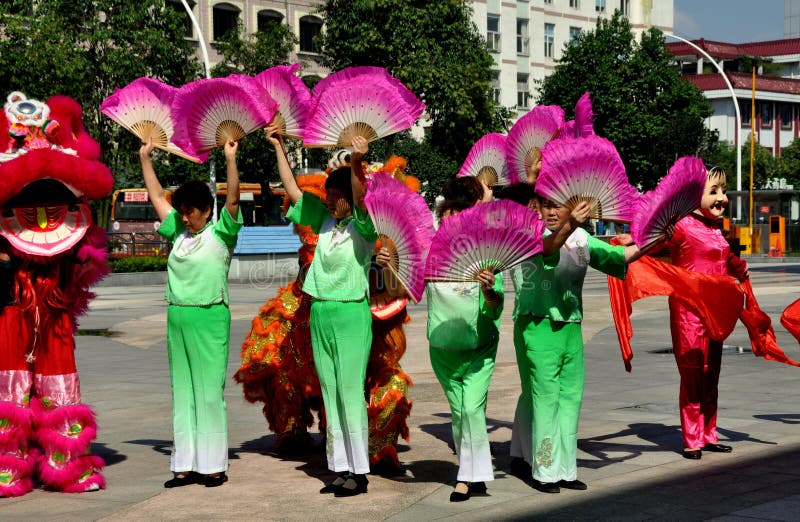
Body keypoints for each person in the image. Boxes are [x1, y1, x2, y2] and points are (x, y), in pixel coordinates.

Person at [378, 176, 501, 502]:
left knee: (471, 410)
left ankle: (466, 477)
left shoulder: (487, 253)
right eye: (449, 217)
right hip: (443, 346)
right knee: (460, 412)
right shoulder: (428, 254)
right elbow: (400, 291)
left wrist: (489, 289)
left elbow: (496, 304)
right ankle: (476, 474)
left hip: (479, 346)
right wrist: (390, 267)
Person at [510, 197, 642, 493]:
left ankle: (565, 469)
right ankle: (544, 469)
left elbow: (618, 258)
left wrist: (656, 235)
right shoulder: (528, 231)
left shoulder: (582, 237)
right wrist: (570, 225)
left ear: (573, 205)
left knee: (570, 400)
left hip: (571, 327)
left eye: (559, 205)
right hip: (537, 326)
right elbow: (548, 248)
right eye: (546, 204)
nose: (552, 211)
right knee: (545, 401)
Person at [271, 128, 377, 497]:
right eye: (328, 196)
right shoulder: (326, 222)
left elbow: (362, 198)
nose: (329, 201)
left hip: (350, 313)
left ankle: (359, 471)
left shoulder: (364, 228)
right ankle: (341, 467)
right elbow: (295, 192)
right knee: (330, 392)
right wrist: (280, 148)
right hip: (321, 312)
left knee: (349, 390)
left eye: (336, 196)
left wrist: (358, 161)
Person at [139, 137, 243, 488]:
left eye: (191, 211)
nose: (185, 217)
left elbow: (231, 199)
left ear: (205, 211)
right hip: (178, 318)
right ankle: (183, 464)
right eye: (182, 210)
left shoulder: (221, 234)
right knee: (182, 392)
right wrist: (145, 158)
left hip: (210, 316)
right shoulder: (179, 235)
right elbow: (156, 197)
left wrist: (230, 159)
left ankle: (213, 465)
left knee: (209, 393)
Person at [666, 165, 747, 460]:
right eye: (713, 191)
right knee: (692, 374)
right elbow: (646, 245)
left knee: (712, 373)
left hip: (715, 311)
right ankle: (691, 439)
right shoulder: (679, 226)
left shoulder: (715, 228)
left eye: (723, 191)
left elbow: (726, 259)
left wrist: (741, 269)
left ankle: (708, 434)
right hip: (688, 311)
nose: (722, 197)